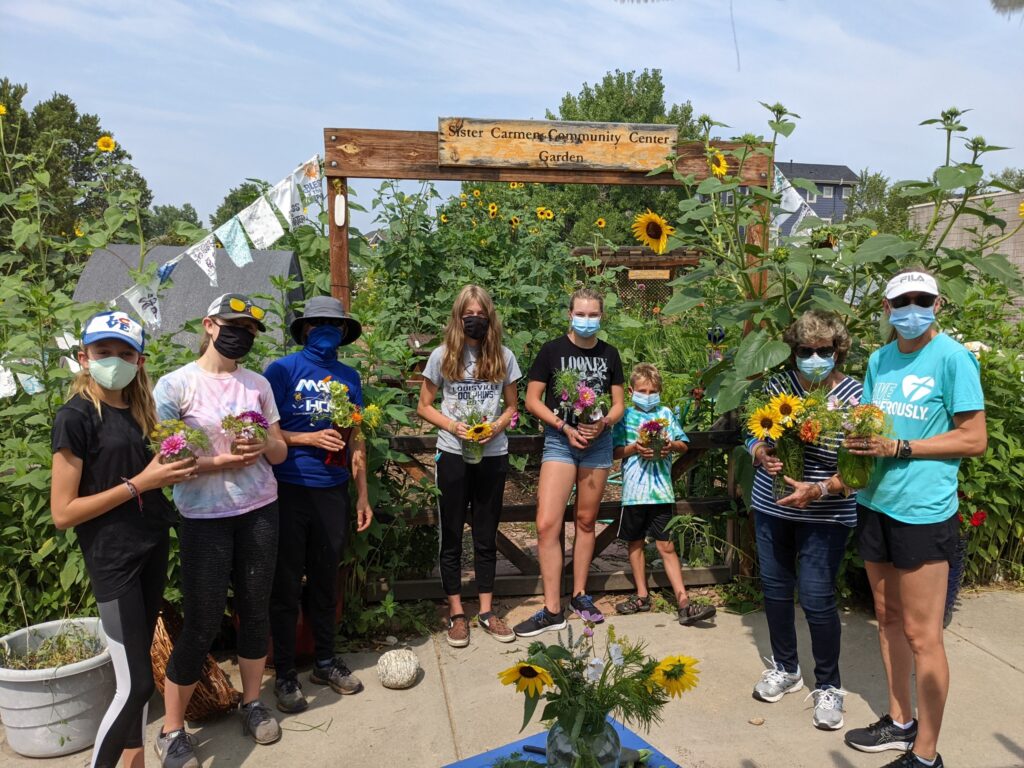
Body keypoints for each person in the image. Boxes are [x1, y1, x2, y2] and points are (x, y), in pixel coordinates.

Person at [843, 270, 986, 768]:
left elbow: (973, 438)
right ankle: (900, 721)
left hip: (923, 513)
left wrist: (902, 447)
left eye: (921, 299)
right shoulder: (880, 360)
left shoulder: (952, 358)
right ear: (886, 308)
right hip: (877, 503)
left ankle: (926, 754)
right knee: (888, 620)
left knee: (924, 635)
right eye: (901, 301)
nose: (911, 309)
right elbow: (871, 422)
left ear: (937, 304)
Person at [50, 312, 196, 768]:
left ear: (140, 360)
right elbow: (63, 513)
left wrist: (178, 462)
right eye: (102, 353)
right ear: (83, 357)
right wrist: (141, 482)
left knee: (136, 681)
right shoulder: (75, 417)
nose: (113, 361)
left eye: (123, 353)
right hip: (113, 561)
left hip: (150, 549)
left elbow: (153, 477)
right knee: (136, 684)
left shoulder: (139, 411)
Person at [153, 294, 288, 768]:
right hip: (203, 519)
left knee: (254, 610)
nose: (243, 335)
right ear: (210, 325)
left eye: (251, 330)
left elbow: (280, 454)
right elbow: (168, 460)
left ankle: (252, 702)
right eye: (234, 326)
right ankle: (172, 731)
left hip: (260, 510)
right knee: (203, 621)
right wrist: (220, 461)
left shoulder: (257, 385)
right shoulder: (175, 385)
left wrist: (266, 438)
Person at [745, 309, 862, 731]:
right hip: (772, 506)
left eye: (823, 350)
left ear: (838, 351)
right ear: (793, 352)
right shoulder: (779, 386)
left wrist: (819, 489)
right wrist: (760, 452)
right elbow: (752, 431)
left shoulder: (854, 397)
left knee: (816, 598)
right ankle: (786, 668)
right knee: (776, 591)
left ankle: (829, 685)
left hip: (825, 513)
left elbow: (861, 466)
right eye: (804, 350)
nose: (814, 357)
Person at [263, 296, 374, 712]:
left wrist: (361, 493)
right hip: (289, 489)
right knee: (287, 584)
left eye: (335, 324)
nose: (327, 330)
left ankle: (325, 661)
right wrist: (307, 438)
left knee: (327, 581)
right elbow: (264, 434)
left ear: (344, 332)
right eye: (319, 323)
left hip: (333, 489)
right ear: (306, 328)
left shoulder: (349, 376)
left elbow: (357, 437)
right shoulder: (282, 371)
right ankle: (286, 674)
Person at [514, 287, 625, 637]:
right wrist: (563, 425)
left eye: (594, 315)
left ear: (601, 317)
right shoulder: (552, 351)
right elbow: (532, 399)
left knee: (587, 520)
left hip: (597, 444)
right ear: (570, 314)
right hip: (560, 443)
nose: (587, 320)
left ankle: (580, 594)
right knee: (547, 523)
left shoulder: (610, 354)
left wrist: (604, 422)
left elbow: (619, 404)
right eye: (581, 313)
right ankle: (551, 608)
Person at [417, 285, 521, 647]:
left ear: (489, 318)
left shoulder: (504, 356)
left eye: (480, 315)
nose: (474, 321)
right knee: (450, 535)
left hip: (492, 454)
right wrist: (452, 426)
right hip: (452, 452)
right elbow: (425, 405)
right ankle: (457, 613)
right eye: (468, 315)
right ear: (458, 318)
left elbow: (512, 407)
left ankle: (488, 611)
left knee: (485, 534)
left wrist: (496, 426)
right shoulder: (442, 355)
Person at [612, 363, 714, 626]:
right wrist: (636, 448)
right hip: (634, 492)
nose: (648, 395)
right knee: (634, 542)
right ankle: (642, 595)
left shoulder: (665, 413)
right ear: (631, 390)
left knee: (666, 545)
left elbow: (684, 444)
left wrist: (670, 445)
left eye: (653, 390)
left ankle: (683, 600)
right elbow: (614, 451)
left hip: (661, 493)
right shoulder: (623, 416)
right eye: (643, 390)